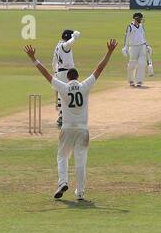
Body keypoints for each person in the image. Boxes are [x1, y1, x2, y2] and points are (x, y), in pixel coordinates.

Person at [24, 39, 118, 201]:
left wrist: (34, 58)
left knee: (62, 157)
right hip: (82, 129)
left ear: (67, 77)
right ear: (77, 77)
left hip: (67, 128)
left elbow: (46, 74)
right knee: (80, 161)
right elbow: (99, 68)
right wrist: (109, 51)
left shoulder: (63, 87)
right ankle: (80, 193)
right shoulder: (84, 86)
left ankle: (63, 182)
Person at [52, 29, 80, 126]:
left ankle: (61, 115)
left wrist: (55, 72)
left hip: (60, 72)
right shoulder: (64, 45)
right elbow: (68, 44)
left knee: (61, 94)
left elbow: (54, 61)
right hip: (67, 73)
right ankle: (65, 116)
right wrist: (74, 38)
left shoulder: (57, 46)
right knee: (69, 93)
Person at [124, 12, 148, 87]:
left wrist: (147, 45)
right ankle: (131, 80)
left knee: (142, 63)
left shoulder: (141, 26)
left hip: (142, 47)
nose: (141, 20)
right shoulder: (130, 27)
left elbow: (143, 36)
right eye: (140, 19)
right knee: (132, 64)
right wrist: (125, 47)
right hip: (133, 47)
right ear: (136, 19)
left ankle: (139, 81)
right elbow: (127, 37)